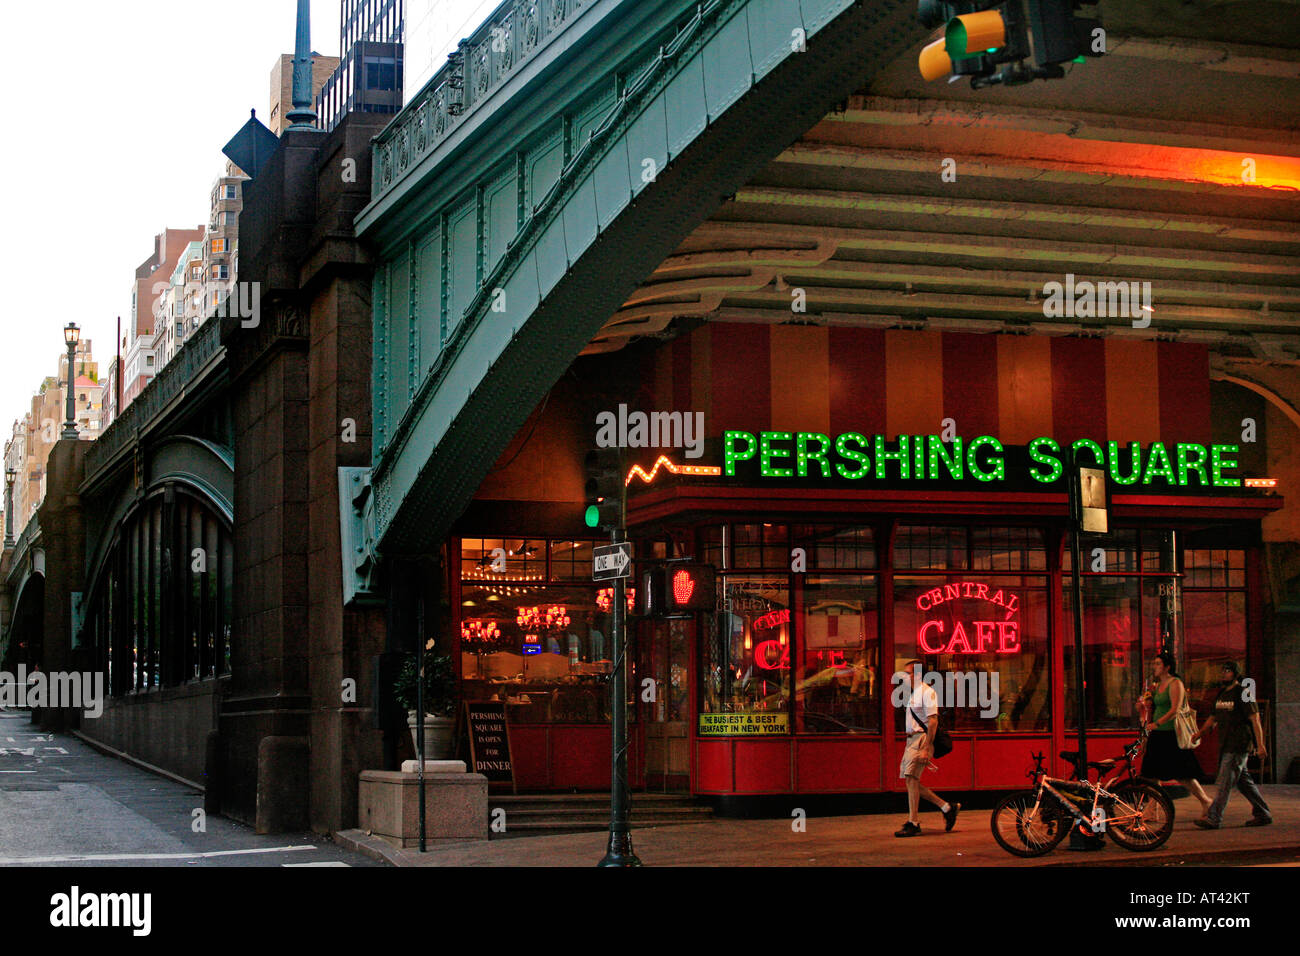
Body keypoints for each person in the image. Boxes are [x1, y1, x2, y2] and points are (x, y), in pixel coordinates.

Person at [1191, 661, 1271, 829]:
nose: (1223, 674)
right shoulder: (1221, 695)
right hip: (1226, 744)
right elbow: (1213, 719)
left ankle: (1213, 818)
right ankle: (1263, 813)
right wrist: (1199, 733)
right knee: (1244, 782)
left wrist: (1260, 745)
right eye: (1222, 671)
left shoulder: (1243, 692)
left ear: (1235, 674)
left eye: (1227, 671)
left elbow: (1255, 719)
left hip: (1239, 745)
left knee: (1224, 781)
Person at [1141, 651, 1212, 817]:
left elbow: (1175, 710)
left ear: (1167, 667)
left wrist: (1156, 723)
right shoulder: (1158, 686)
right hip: (1158, 734)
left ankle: (1206, 801)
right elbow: (1159, 707)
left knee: (1183, 774)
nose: (1155, 667)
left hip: (1171, 734)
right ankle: (1153, 809)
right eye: (1155, 664)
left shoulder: (1175, 684)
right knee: (1152, 773)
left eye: (1158, 664)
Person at [895, 659, 959, 837]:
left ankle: (913, 822)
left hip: (921, 740)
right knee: (910, 780)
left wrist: (926, 747)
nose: (905, 677)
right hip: (912, 740)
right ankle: (947, 807)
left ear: (916, 675)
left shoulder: (927, 692)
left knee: (911, 778)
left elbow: (933, 720)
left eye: (908, 674)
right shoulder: (915, 693)